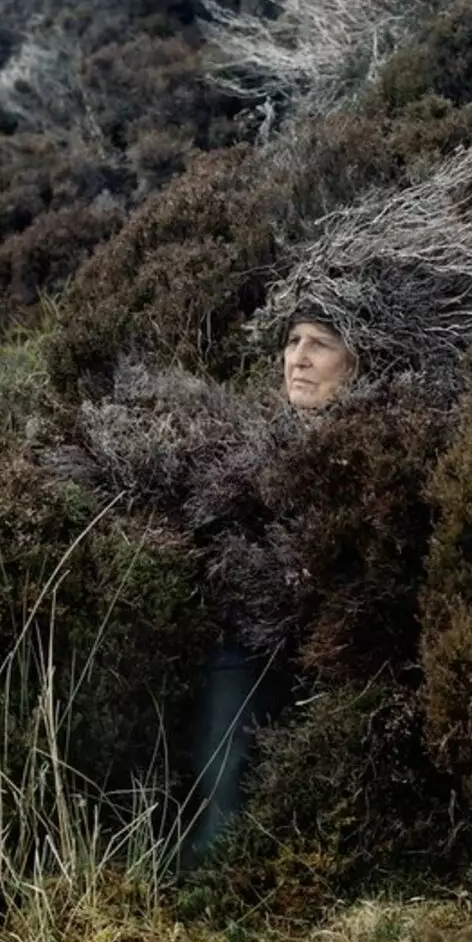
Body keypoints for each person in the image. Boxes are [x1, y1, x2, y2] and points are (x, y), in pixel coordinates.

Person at [183, 307, 359, 867]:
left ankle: (216, 874)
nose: (299, 359)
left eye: (320, 345)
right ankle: (206, 865)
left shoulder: (376, 446)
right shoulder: (256, 444)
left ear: (354, 364)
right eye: (292, 342)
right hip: (252, 635)